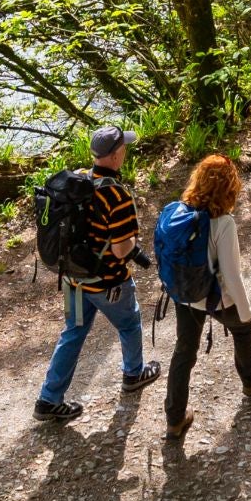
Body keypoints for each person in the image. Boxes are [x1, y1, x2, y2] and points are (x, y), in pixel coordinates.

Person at [32, 125, 160, 422]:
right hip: (108, 283)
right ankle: (133, 373)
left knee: (74, 333)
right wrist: (137, 251)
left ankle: (48, 399)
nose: (125, 152)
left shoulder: (79, 182)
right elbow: (119, 249)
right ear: (115, 157)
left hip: (74, 279)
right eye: (123, 148)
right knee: (129, 324)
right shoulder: (117, 194)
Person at [161, 154, 251, 442]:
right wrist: (246, 310)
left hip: (185, 295)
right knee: (242, 328)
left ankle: (174, 420)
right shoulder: (222, 222)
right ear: (230, 187)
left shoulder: (179, 212)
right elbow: (231, 275)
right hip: (213, 297)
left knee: (184, 352)